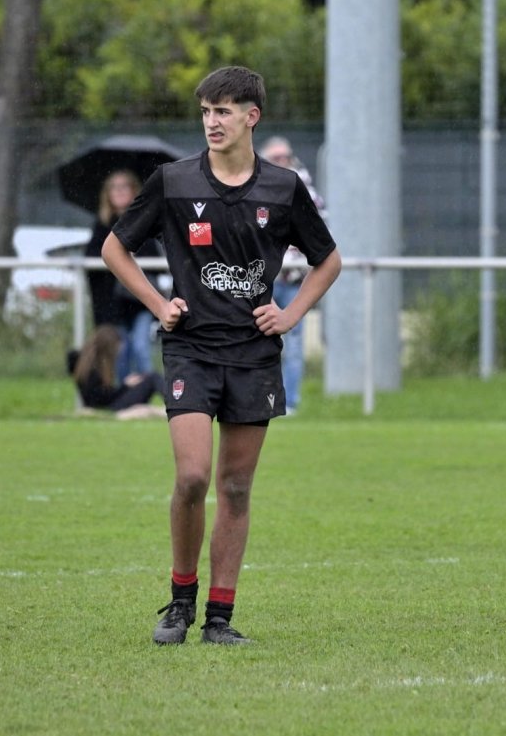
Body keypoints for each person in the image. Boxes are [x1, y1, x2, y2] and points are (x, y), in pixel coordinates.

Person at [102, 65, 341, 645]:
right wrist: (160, 304)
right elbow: (115, 248)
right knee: (191, 477)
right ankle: (180, 602)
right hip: (190, 349)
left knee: (235, 487)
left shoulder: (283, 189)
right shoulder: (173, 181)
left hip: (254, 355)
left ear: (251, 117)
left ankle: (219, 618)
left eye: (225, 110)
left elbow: (328, 260)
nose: (213, 121)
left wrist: (290, 315)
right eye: (207, 111)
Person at [256, 136, 326, 416]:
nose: (283, 162)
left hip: (295, 281)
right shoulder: (254, 188)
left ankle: (290, 402)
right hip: (262, 282)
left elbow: (322, 241)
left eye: (286, 156)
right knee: (258, 344)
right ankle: (259, 400)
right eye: (276, 158)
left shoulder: (305, 191)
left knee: (294, 345)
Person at [84, 170, 164, 382]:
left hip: (140, 301)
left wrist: (131, 255)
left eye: (124, 187)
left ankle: (149, 389)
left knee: (140, 346)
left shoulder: (144, 222)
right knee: (121, 349)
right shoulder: (102, 226)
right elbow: (94, 260)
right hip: (113, 305)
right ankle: (125, 395)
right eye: (114, 188)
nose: (119, 192)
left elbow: (156, 260)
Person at [71, 325, 167, 420]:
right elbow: (103, 399)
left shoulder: (83, 364)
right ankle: (174, 402)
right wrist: (125, 386)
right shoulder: (93, 370)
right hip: (113, 407)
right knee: (152, 378)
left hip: (110, 405)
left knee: (149, 378)